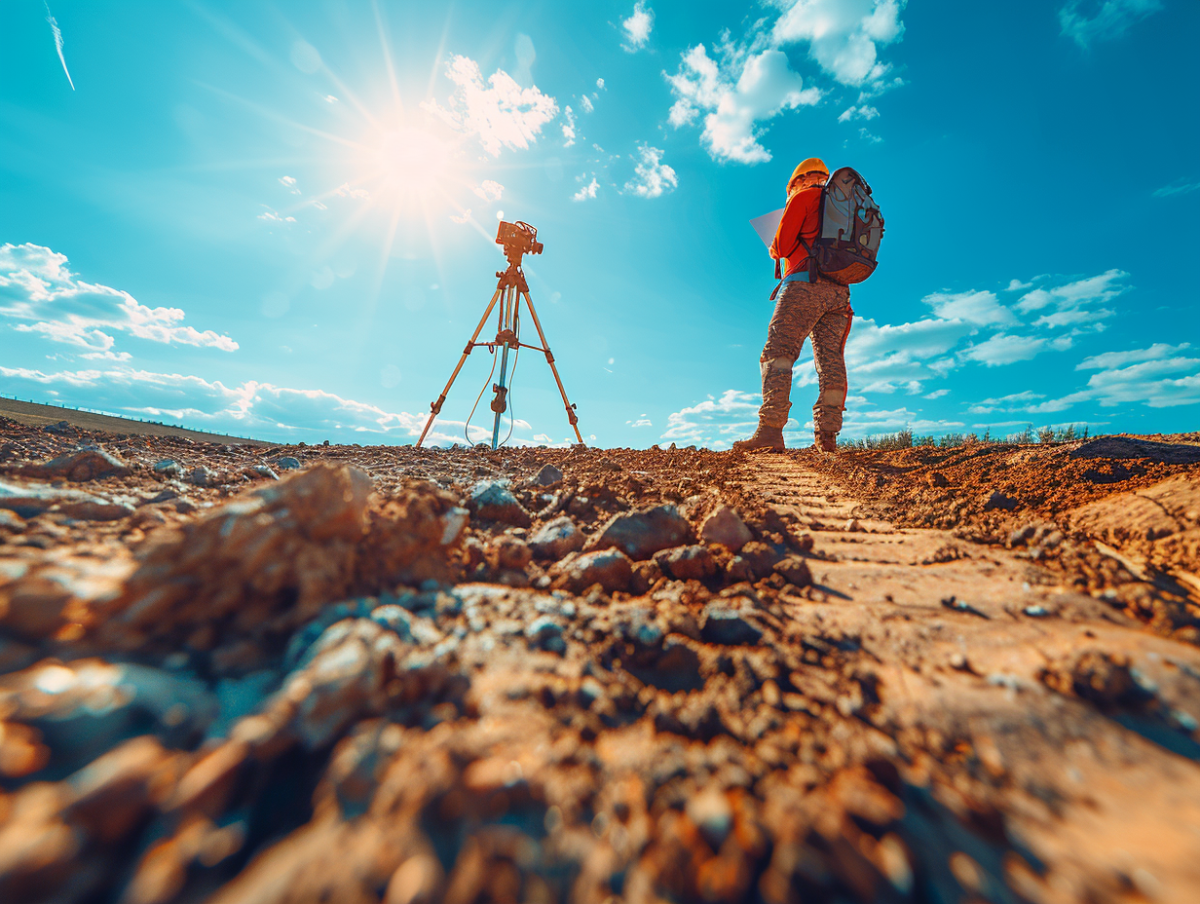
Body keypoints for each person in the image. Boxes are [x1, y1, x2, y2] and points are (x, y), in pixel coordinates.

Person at [733, 157, 853, 454]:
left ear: (798, 181)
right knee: (831, 362)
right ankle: (827, 436)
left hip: (803, 284)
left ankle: (770, 430)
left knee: (778, 353)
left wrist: (774, 245)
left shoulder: (804, 196)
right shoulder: (845, 206)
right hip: (840, 293)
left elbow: (782, 247)